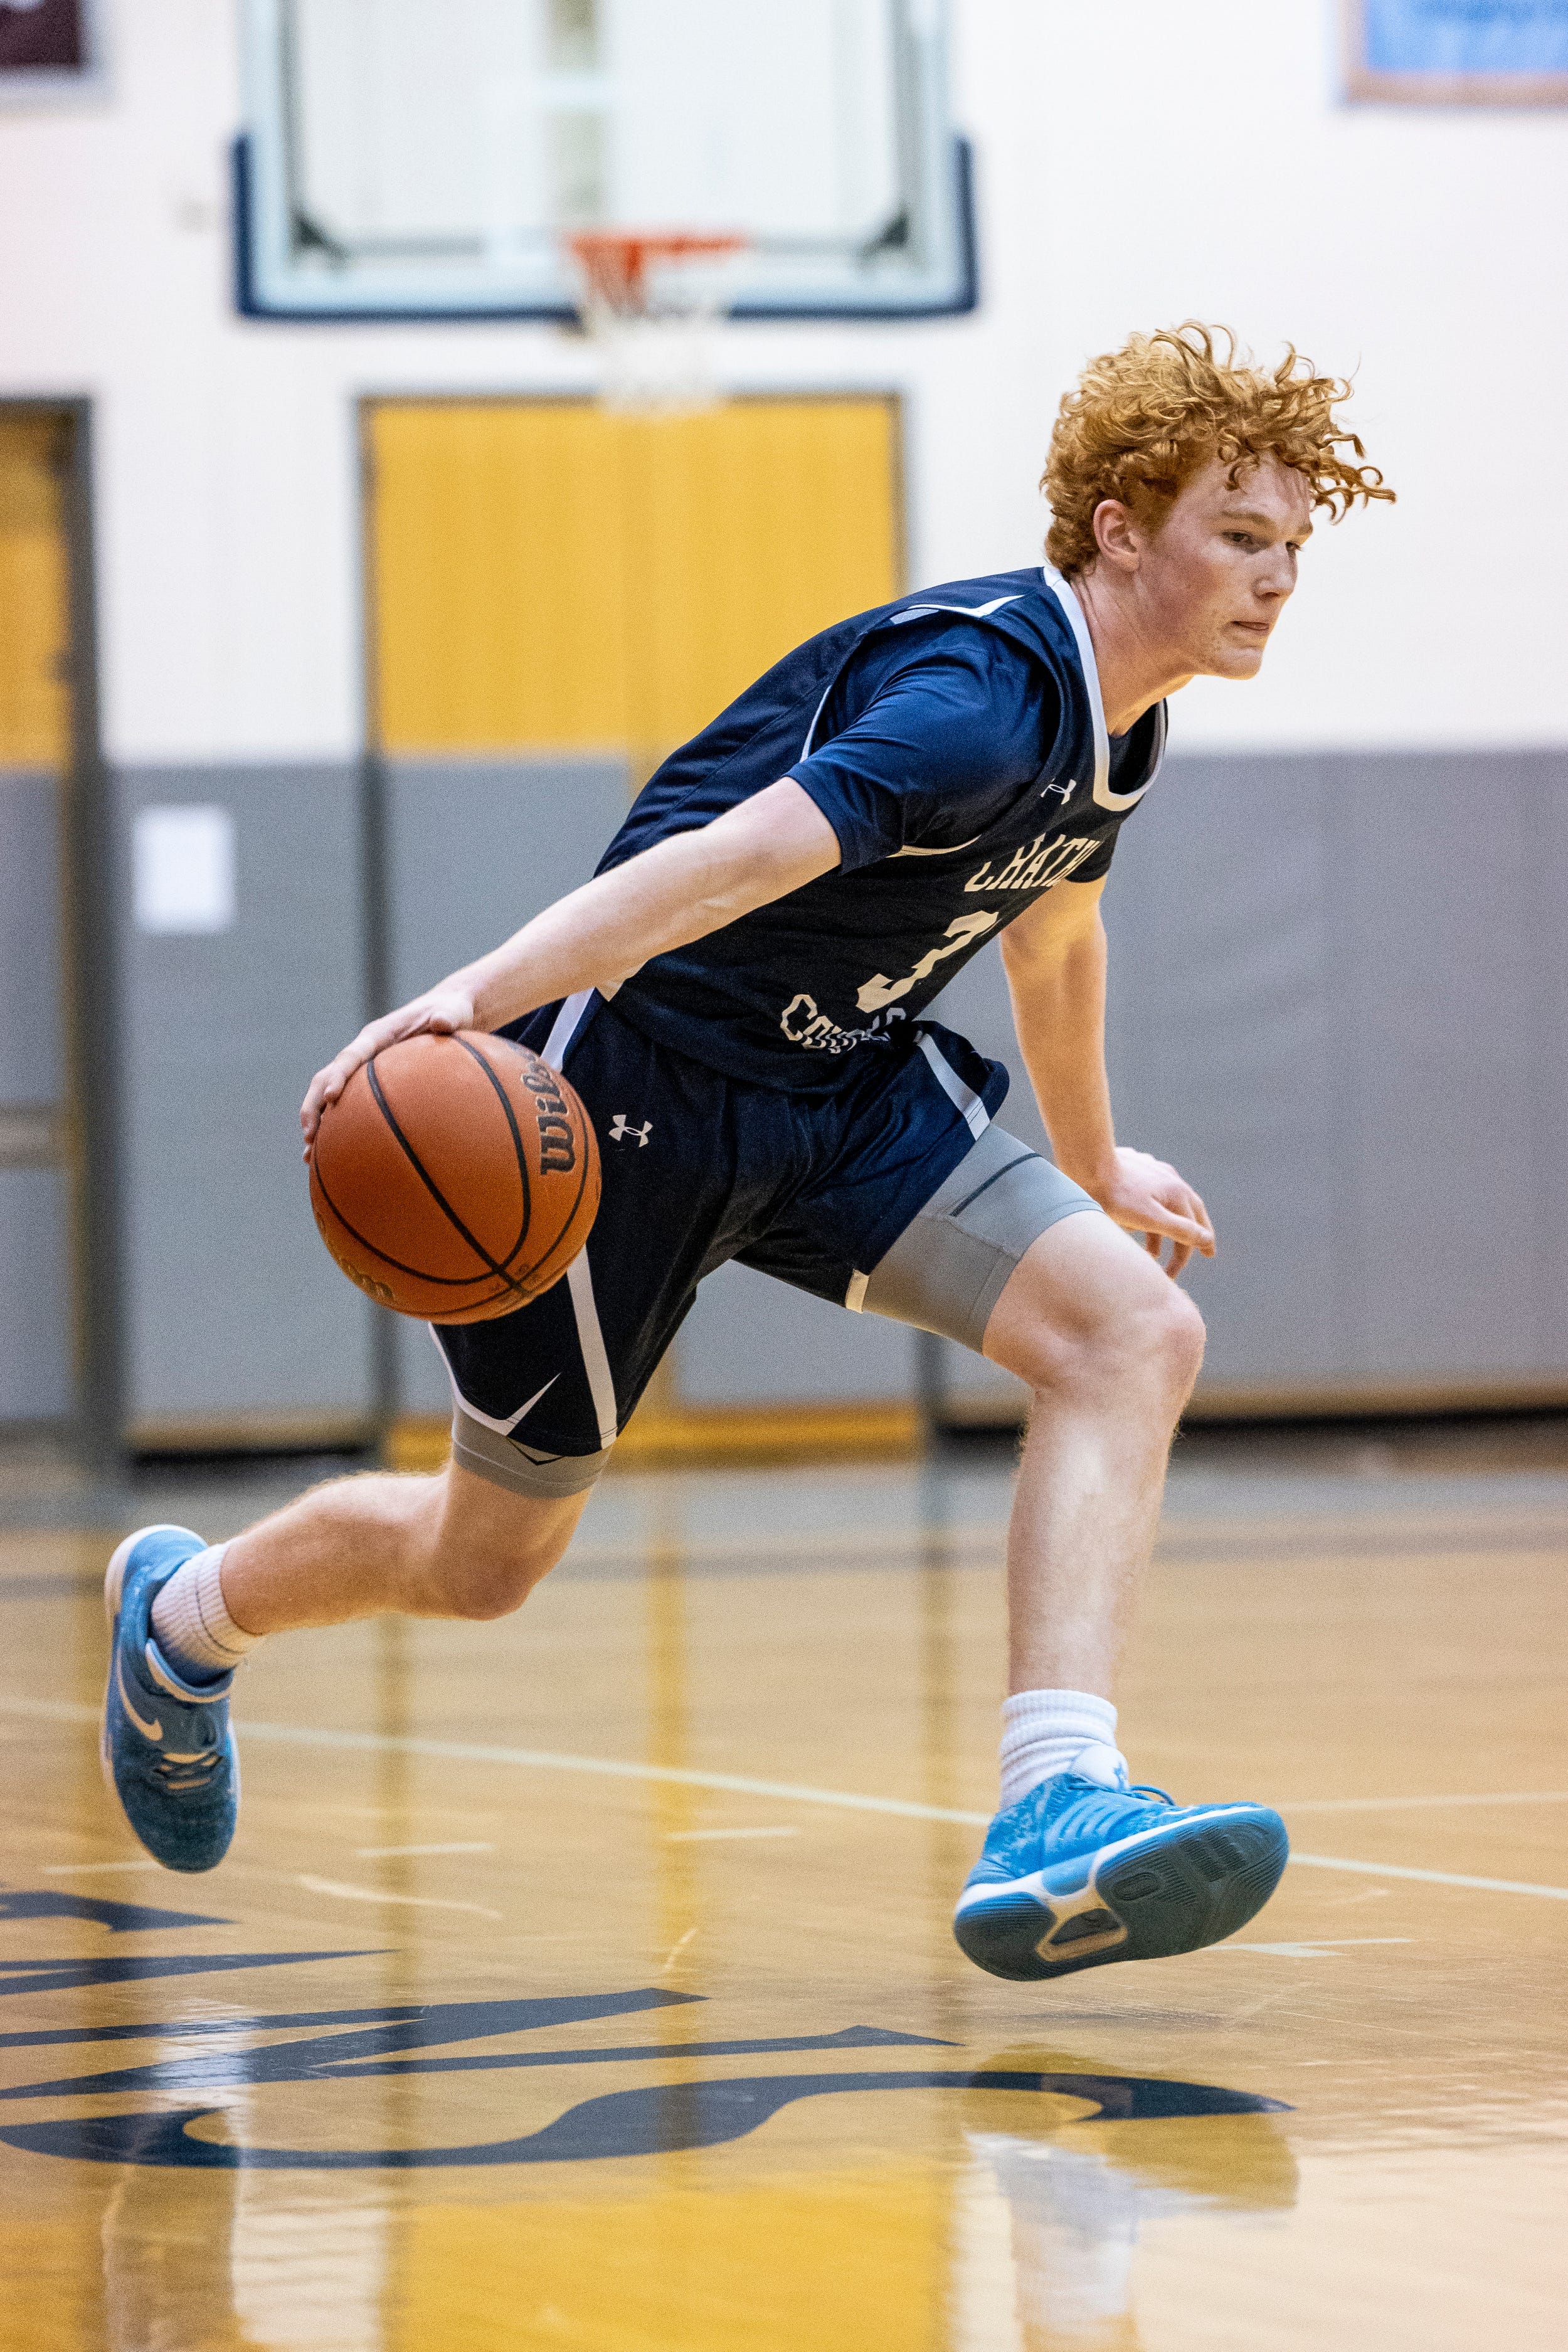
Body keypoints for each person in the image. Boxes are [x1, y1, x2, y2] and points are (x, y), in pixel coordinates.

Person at [102, 324, 1391, 1981]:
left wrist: (1088, 1159)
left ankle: (1056, 1798)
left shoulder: (1117, 723)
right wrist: (466, 1004)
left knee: (1131, 1331)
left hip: (836, 1086)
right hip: (631, 1095)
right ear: (1118, 529)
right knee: (486, 1560)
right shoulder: (975, 707)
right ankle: (185, 1622)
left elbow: (1051, 941)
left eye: (1292, 545)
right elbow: (725, 861)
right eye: (1240, 535)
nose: (1276, 576)